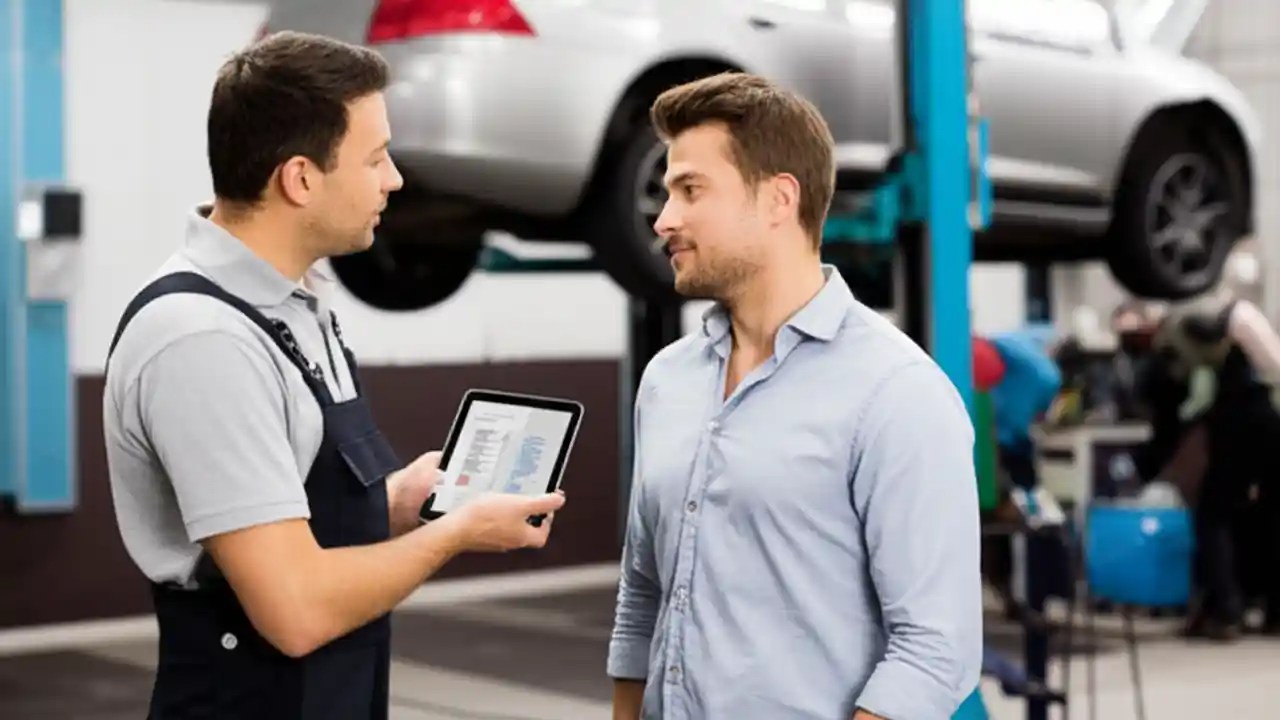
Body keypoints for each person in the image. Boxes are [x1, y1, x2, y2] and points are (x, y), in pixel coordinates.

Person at [102, 31, 566, 719]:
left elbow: (288, 511)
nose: (395, 180)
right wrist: (456, 532)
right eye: (375, 158)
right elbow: (295, 608)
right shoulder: (203, 341)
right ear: (300, 178)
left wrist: (400, 502)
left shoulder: (294, 306)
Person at [607, 72, 983, 720]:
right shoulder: (668, 381)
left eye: (690, 189)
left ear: (779, 199)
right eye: (668, 192)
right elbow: (644, 593)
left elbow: (933, 649)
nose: (665, 218)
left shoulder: (897, 394)